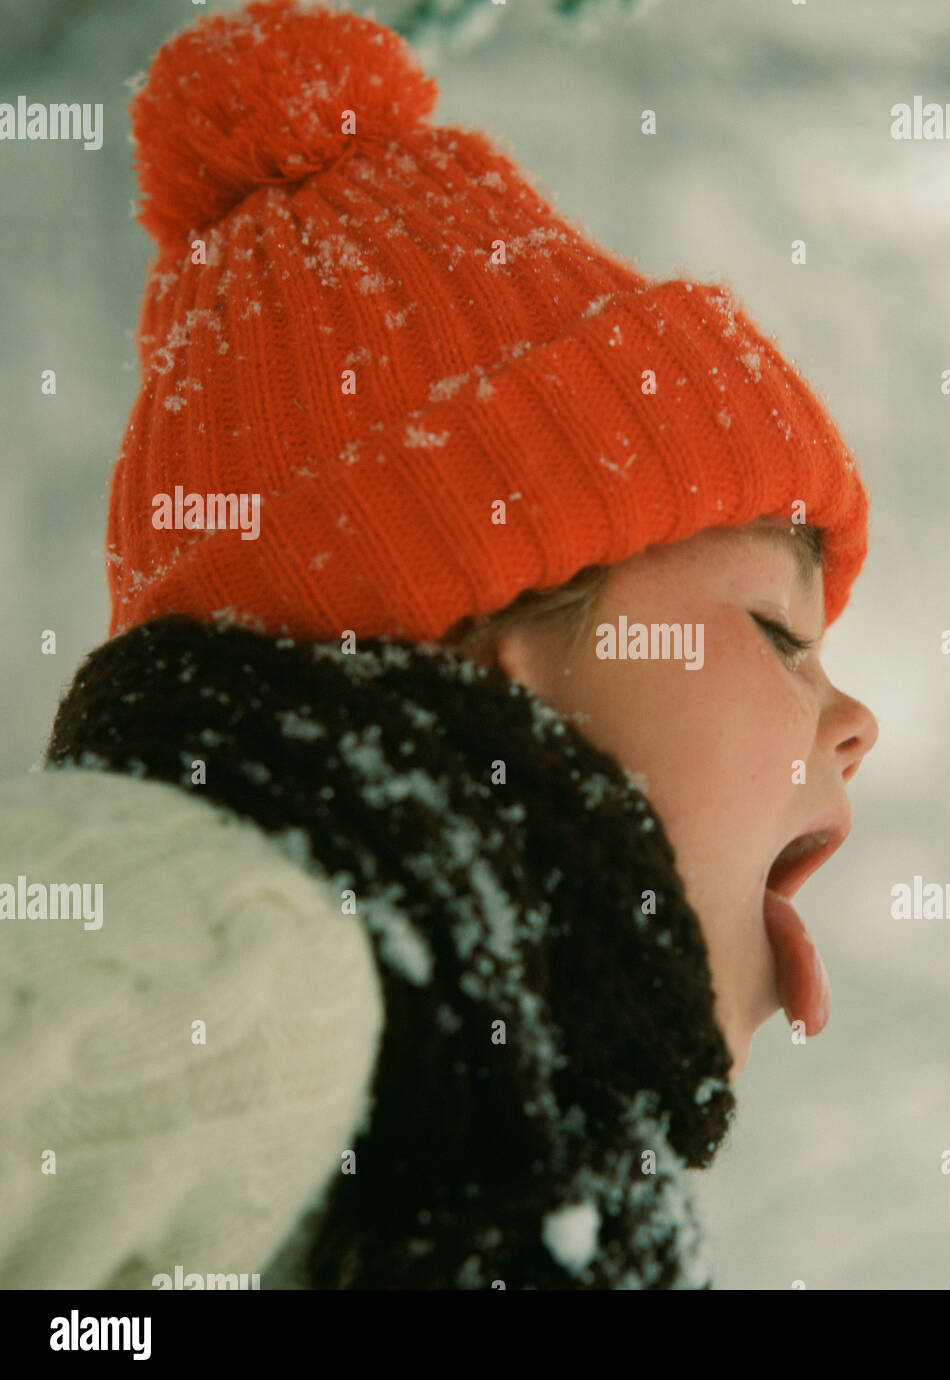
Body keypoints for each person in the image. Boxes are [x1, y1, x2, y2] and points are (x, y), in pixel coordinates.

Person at [0, 0, 876, 1289]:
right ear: (488, 639)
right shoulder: (221, 945)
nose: (856, 718)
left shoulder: (435, 1101)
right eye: (776, 632)